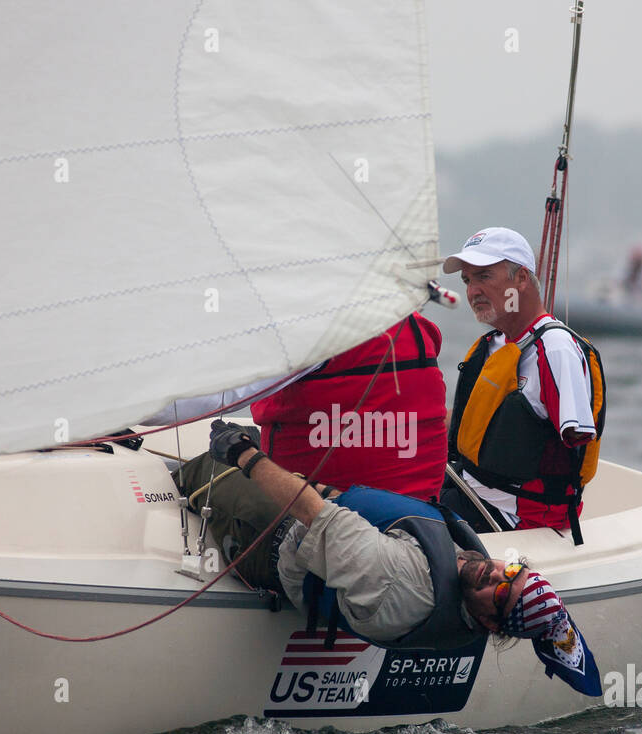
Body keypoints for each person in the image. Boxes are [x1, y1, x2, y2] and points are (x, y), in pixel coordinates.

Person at [179, 420, 601, 695]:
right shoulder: (461, 585)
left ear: (491, 623)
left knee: (191, 470)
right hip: (324, 512)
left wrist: (243, 454)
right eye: (511, 569)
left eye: (500, 592)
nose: (493, 572)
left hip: (270, 533)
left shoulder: (401, 583)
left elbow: (313, 516)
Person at [440, 227, 606, 545]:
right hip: (466, 493)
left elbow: (575, 442)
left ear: (522, 279)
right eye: (467, 281)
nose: (472, 290)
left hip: (516, 520)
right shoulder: (493, 343)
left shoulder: (555, 348)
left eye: (484, 276)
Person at [250, 313, 448, 500]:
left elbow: (228, 395)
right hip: (420, 516)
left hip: (323, 518)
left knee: (229, 479)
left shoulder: (316, 332)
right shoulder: (420, 329)